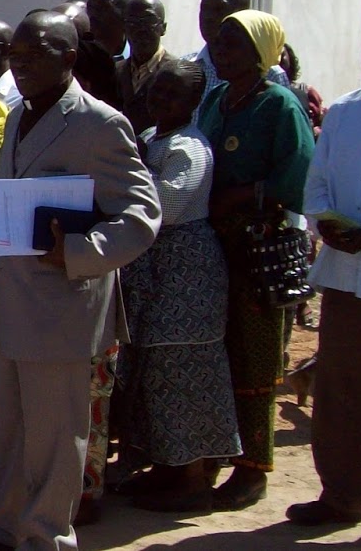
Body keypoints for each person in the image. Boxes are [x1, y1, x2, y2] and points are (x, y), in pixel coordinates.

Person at [0, 10, 159, 551]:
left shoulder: (99, 124)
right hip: (10, 300)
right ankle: (6, 527)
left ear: (67, 57)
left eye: (31, 57)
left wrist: (76, 250)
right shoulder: (20, 115)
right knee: (12, 430)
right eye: (13, 58)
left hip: (63, 305)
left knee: (55, 434)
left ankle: (46, 538)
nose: (18, 67)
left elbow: (140, 217)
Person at [196, 8, 314, 510]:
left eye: (233, 44)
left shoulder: (280, 106)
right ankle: (213, 456)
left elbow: (298, 178)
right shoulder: (219, 99)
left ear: (261, 53)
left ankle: (253, 471)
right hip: (214, 247)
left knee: (257, 360)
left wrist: (241, 196)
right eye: (219, 44)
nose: (221, 53)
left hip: (259, 252)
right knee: (215, 355)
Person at [116, 60, 239, 512]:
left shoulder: (191, 148)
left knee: (181, 371)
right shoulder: (150, 139)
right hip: (152, 272)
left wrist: (121, 183)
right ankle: (163, 469)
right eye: (156, 91)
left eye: (172, 94)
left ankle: (191, 481)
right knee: (152, 373)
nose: (160, 100)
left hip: (184, 274)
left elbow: (162, 204)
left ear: (193, 102)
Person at [288, 21, 361, 529]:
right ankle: (342, 497)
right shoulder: (343, 112)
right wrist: (324, 221)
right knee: (342, 392)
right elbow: (315, 184)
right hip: (345, 280)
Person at [185, 0, 286, 99]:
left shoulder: (271, 75)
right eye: (204, 8)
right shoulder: (186, 67)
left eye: (219, 10)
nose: (208, 17)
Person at [115, 0, 168, 134]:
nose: (140, 29)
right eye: (133, 22)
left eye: (149, 21)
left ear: (163, 28)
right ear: (124, 28)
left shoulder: (174, 73)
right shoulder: (114, 71)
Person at [278, 43, 325, 135]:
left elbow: (322, 123)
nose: (278, 60)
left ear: (290, 57)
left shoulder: (306, 92)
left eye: (282, 55)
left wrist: (314, 132)